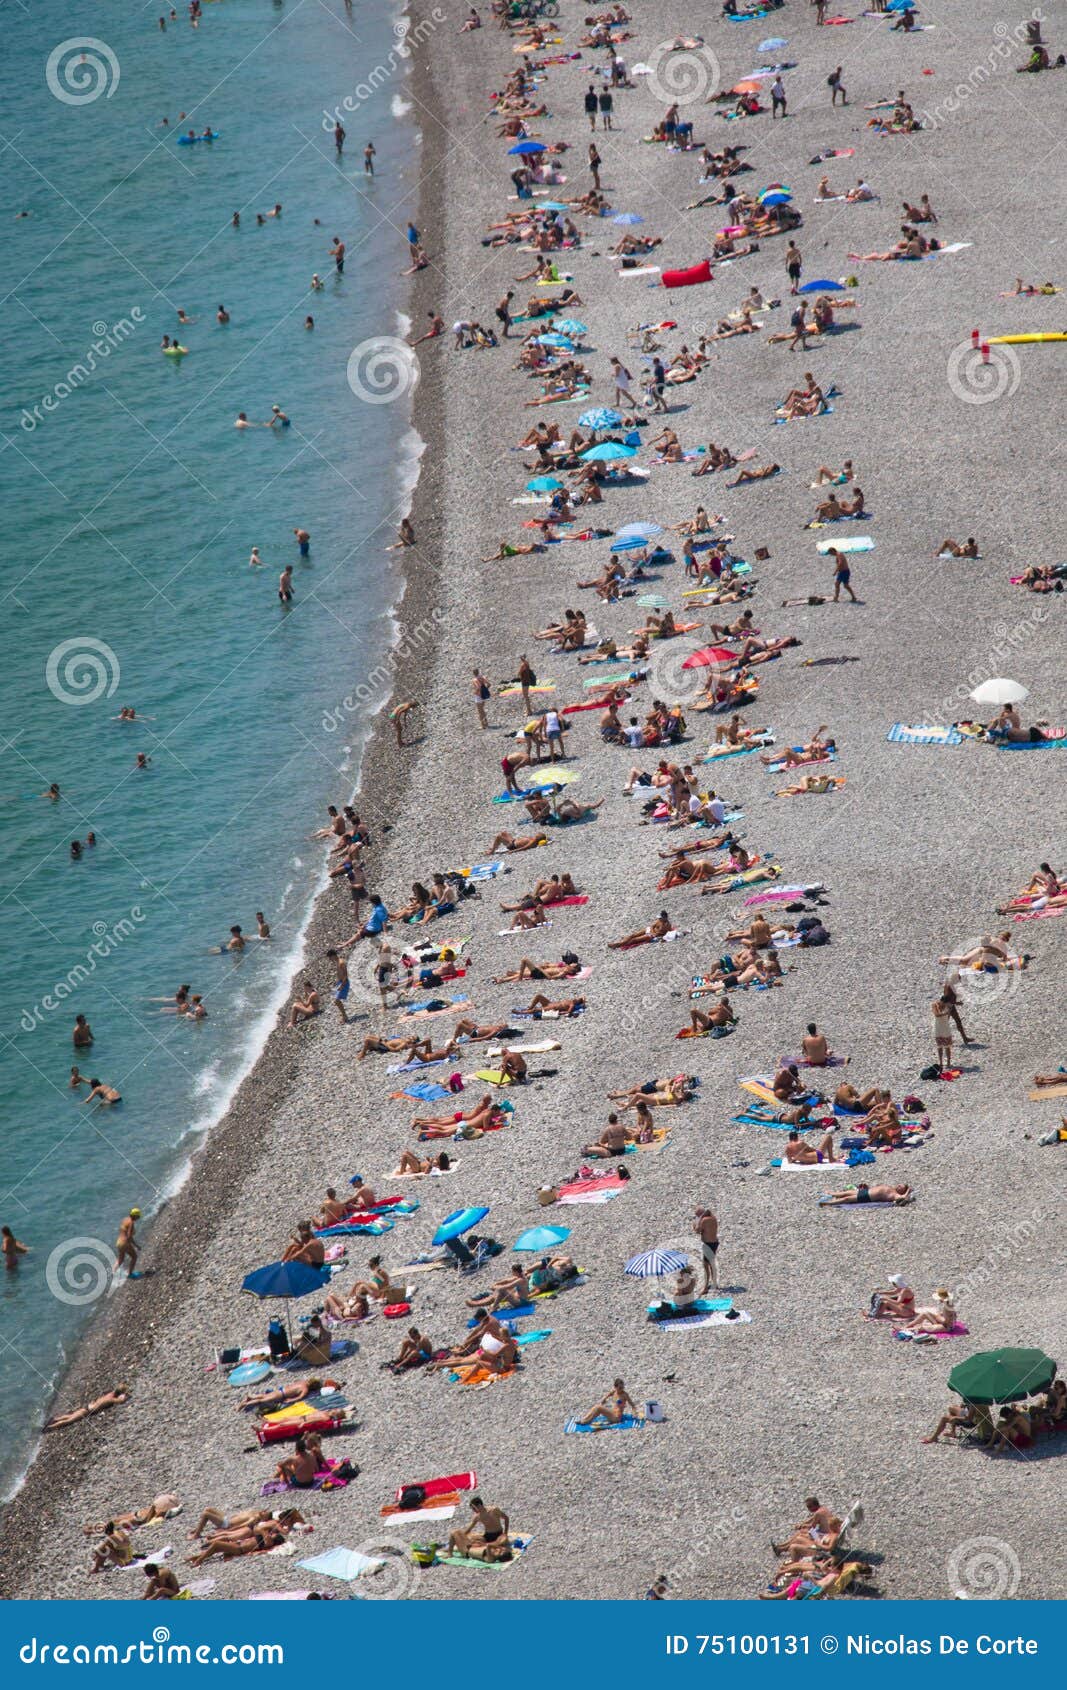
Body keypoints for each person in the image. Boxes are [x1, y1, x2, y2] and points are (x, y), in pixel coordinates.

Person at [448, 1497, 510, 1562]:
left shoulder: (494, 1510)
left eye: (474, 1508)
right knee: (472, 1538)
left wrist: (505, 1533)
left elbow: (506, 1518)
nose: (474, 1511)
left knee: (502, 1539)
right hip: (487, 1535)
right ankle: (455, 1544)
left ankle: (452, 1549)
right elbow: (469, 1529)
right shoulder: (477, 1516)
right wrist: (462, 1536)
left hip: (498, 1533)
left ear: (479, 1505)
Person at [114, 1208, 140, 1273]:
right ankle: (130, 1273)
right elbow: (129, 1236)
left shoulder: (125, 1219)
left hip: (119, 1242)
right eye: (138, 1216)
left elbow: (122, 1230)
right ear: (135, 1216)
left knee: (120, 1259)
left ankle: (112, 1272)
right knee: (134, 1257)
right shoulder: (131, 1223)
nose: (139, 1218)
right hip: (124, 1243)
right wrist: (136, 1246)